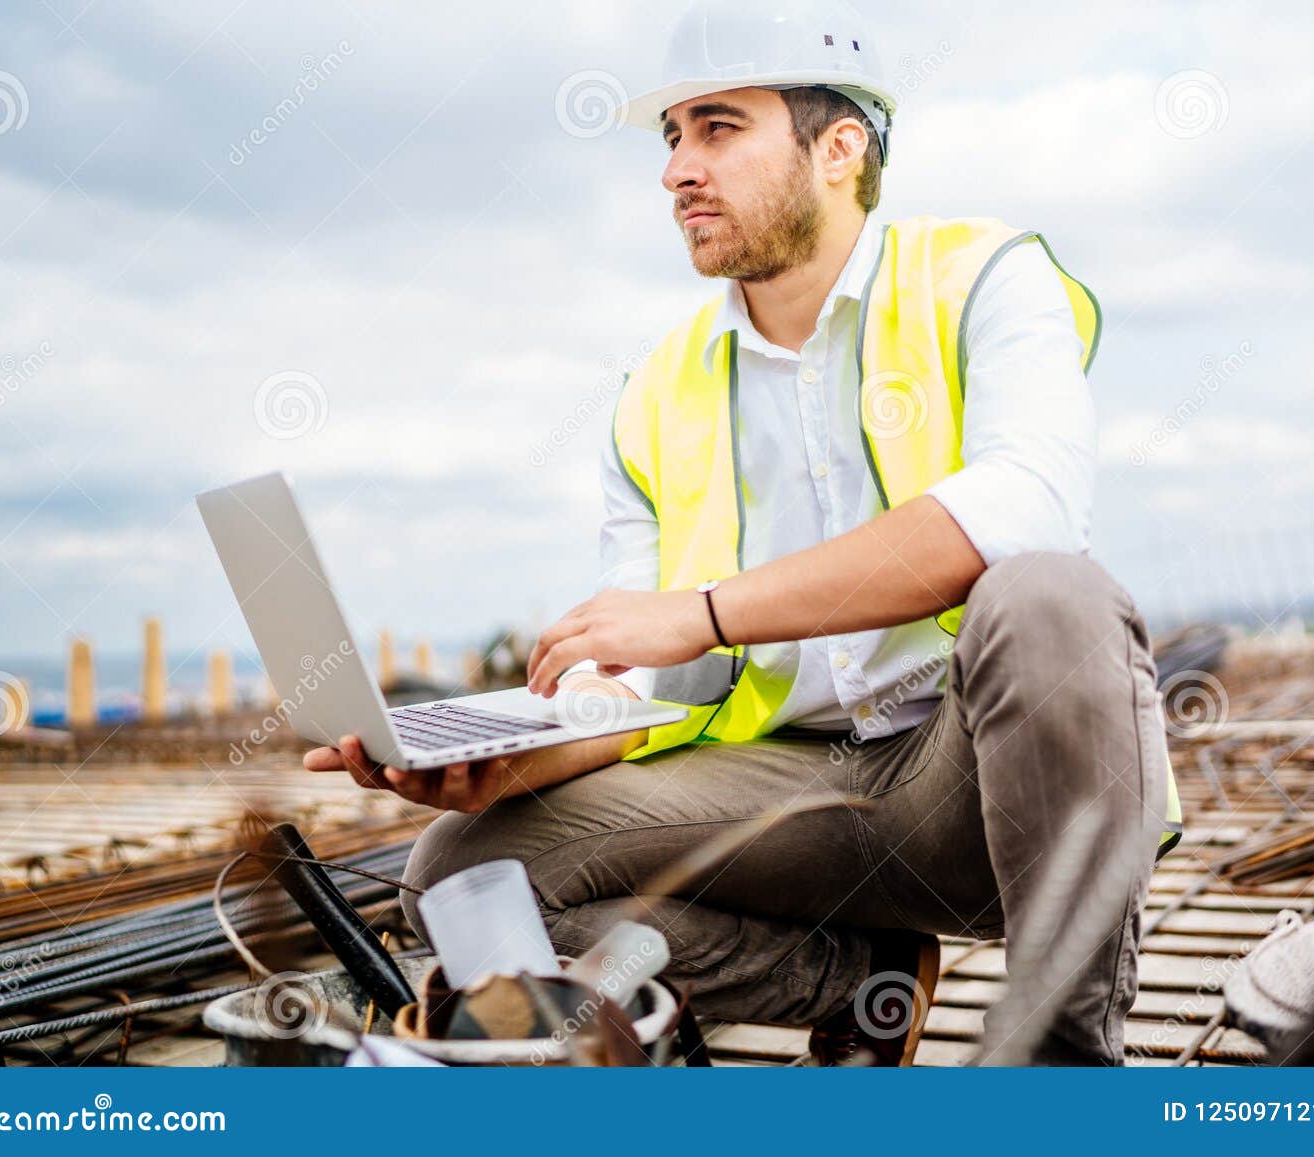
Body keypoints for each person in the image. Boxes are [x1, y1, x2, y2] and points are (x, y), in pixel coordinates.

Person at [305, 0, 1180, 1065]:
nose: (678, 169)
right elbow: (641, 687)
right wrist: (501, 763)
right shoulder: (655, 394)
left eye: (718, 128)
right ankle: (862, 985)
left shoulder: (985, 277)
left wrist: (708, 612)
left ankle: (1063, 1069)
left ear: (839, 149)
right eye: (673, 136)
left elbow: (1024, 508)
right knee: (458, 871)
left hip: (986, 795)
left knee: (1050, 596)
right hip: (794, 797)